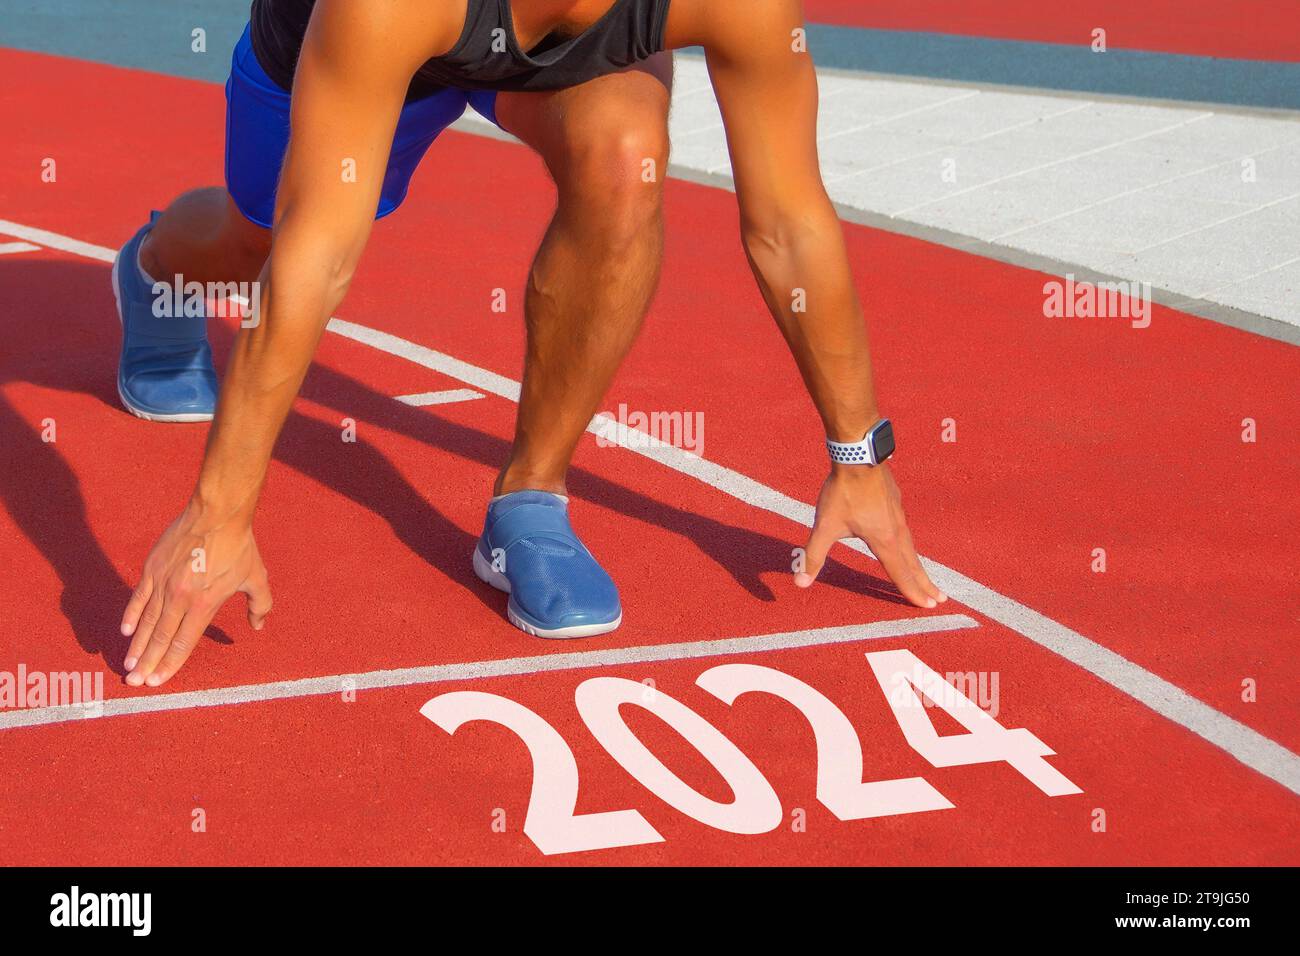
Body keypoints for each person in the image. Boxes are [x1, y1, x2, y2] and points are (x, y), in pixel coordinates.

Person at [118, 0, 945, 689]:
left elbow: (790, 226)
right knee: (254, 244)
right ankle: (157, 269)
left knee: (627, 158)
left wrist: (859, 452)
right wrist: (220, 513)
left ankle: (530, 503)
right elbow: (318, 258)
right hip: (365, 36)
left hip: (548, 55)